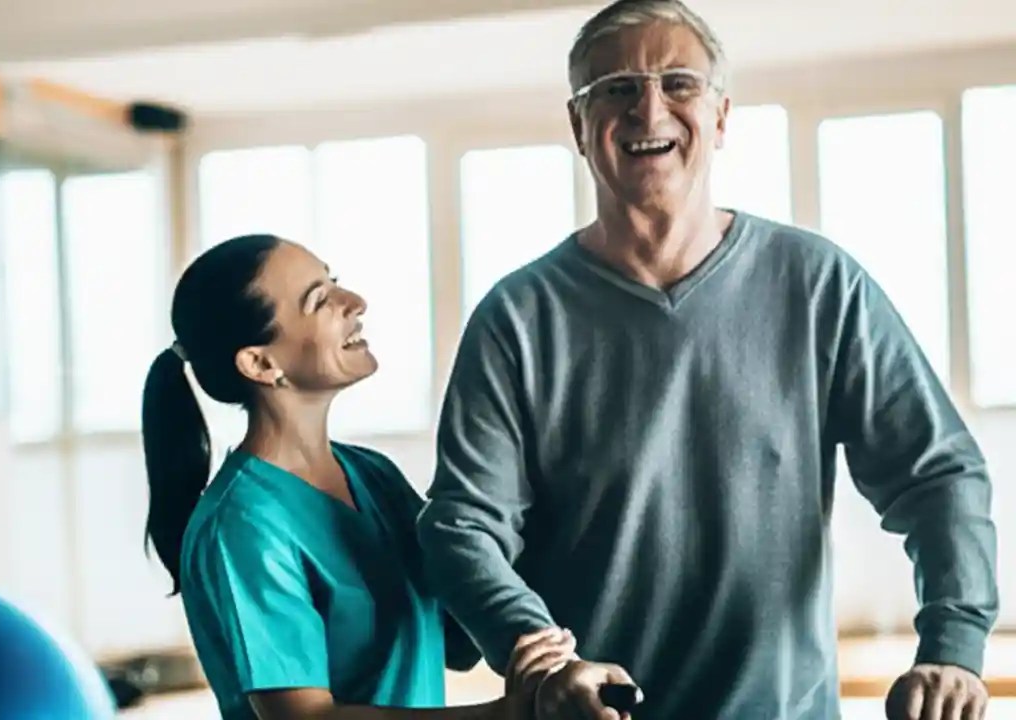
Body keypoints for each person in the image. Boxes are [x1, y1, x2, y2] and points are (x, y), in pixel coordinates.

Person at [415, 2, 998, 719]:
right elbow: (462, 525)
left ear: (721, 118)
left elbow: (937, 474)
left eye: (678, 84)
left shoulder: (818, 285)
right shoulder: (518, 319)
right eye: (617, 88)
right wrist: (539, 654)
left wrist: (953, 645)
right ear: (578, 125)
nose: (648, 109)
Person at [140, 234, 576, 720]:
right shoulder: (241, 528)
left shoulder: (374, 477)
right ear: (261, 363)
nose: (355, 303)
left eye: (335, 283)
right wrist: (502, 715)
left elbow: (456, 640)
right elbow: (305, 718)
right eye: (320, 300)